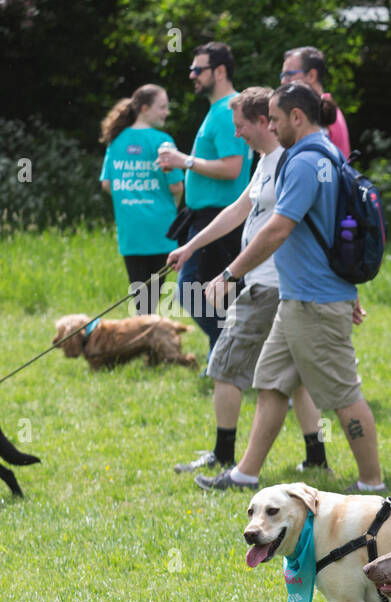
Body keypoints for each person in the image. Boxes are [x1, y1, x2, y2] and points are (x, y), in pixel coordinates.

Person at [195, 83, 383, 494]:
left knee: (342, 393)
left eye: (277, 120)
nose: (273, 129)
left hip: (314, 300)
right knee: (272, 381)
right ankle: (245, 473)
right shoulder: (328, 154)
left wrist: (229, 275)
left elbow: (278, 228)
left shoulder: (302, 163)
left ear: (297, 117)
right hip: (297, 297)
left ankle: (372, 483)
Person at [165, 86, 328, 478]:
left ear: (262, 123)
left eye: (242, 126)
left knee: (224, 365)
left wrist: (229, 273)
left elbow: (286, 227)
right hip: (272, 283)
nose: (236, 134)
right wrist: (190, 246)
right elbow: (238, 211)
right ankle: (317, 456)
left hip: (269, 284)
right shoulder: (266, 161)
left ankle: (224, 456)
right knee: (298, 376)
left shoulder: (288, 161)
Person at [157, 41, 253, 357]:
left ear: (220, 71)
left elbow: (232, 168)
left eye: (198, 69)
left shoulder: (228, 112)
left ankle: (229, 352)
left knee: (191, 291)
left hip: (218, 218)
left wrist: (184, 161)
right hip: (203, 217)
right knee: (213, 293)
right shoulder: (217, 110)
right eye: (192, 69)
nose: (192, 75)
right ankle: (223, 355)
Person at [98, 84, 184, 314]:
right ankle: (149, 340)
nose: (166, 112)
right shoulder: (162, 141)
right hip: (160, 227)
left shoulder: (116, 141)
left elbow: (107, 184)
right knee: (153, 299)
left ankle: (141, 335)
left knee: (140, 298)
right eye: (162, 107)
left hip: (130, 228)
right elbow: (176, 185)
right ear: (144, 108)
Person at [281, 45, 350, 158]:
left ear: (311, 75)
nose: (283, 82)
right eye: (282, 76)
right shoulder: (326, 107)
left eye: (289, 75)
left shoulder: (320, 112)